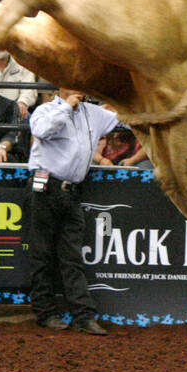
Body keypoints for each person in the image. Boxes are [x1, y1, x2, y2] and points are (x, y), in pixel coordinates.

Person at [27, 88, 121, 333]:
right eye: (72, 84)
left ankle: (82, 315)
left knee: (71, 255)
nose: (79, 89)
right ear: (61, 87)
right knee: (42, 252)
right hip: (44, 183)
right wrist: (67, 106)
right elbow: (41, 130)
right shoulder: (46, 110)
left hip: (71, 188)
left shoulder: (94, 113)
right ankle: (46, 312)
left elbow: (127, 119)